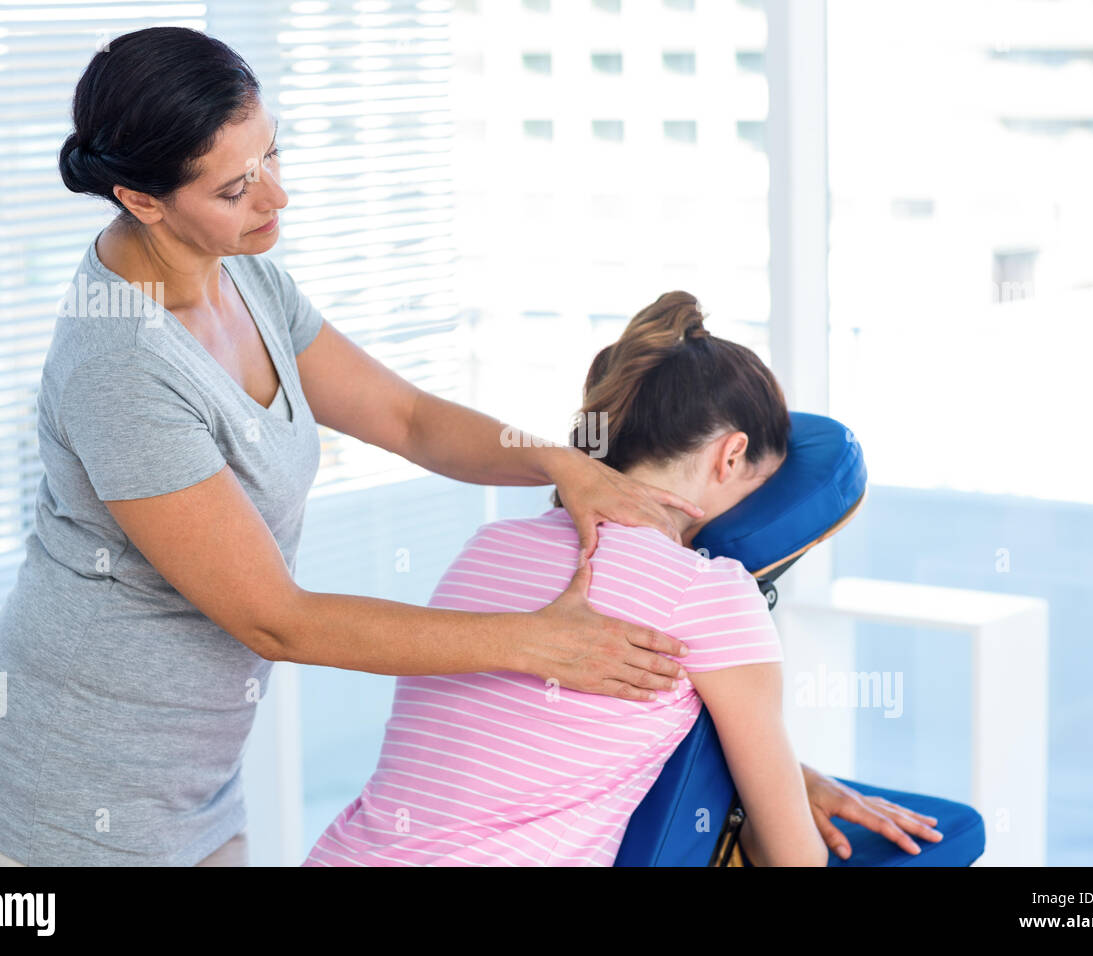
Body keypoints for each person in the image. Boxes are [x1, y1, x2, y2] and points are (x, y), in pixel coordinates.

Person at [0, 26, 700, 867]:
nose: (275, 198)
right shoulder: (121, 366)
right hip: (73, 787)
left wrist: (559, 462)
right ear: (142, 200)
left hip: (191, 779)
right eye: (236, 188)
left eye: (271, 155)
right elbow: (279, 619)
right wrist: (536, 641)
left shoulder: (245, 275)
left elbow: (407, 417)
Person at [304, 292, 943, 866]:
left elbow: (531, 745)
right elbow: (793, 861)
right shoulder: (712, 591)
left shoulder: (490, 546)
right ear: (731, 455)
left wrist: (784, 774)